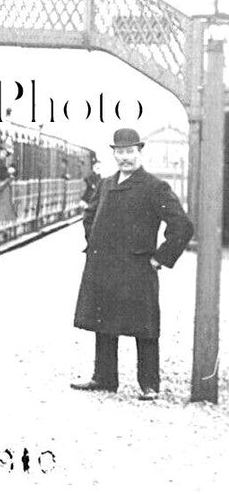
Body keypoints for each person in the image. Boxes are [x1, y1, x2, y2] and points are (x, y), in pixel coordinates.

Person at [71, 128, 192, 400]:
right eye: (120, 152)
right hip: (103, 266)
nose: (124, 158)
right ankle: (104, 378)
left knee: (144, 326)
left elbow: (182, 226)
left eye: (129, 152)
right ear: (113, 154)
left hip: (137, 267)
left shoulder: (155, 187)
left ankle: (149, 384)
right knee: (102, 321)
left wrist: (160, 258)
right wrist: (95, 244)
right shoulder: (105, 184)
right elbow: (89, 215)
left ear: (140, 152)